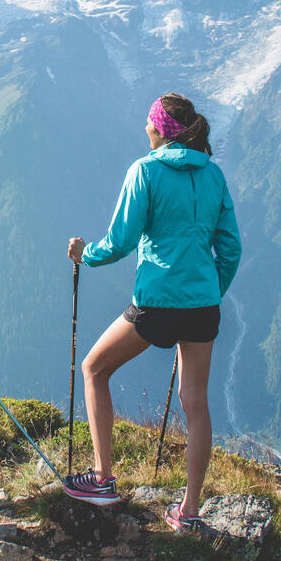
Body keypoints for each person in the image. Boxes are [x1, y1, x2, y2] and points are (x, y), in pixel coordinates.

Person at [63, 92, 241, 531]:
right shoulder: (214, 175)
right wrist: (208, 291)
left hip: (157, 302)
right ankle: (190, 512)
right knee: (196, 405)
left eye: (149, 122)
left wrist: (85, 255)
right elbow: (231, 249)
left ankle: (103, 479)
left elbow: (121, 240)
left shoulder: (145, 170)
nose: (145, 127)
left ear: (160, 129)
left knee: (94, 368)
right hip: (202, 306)